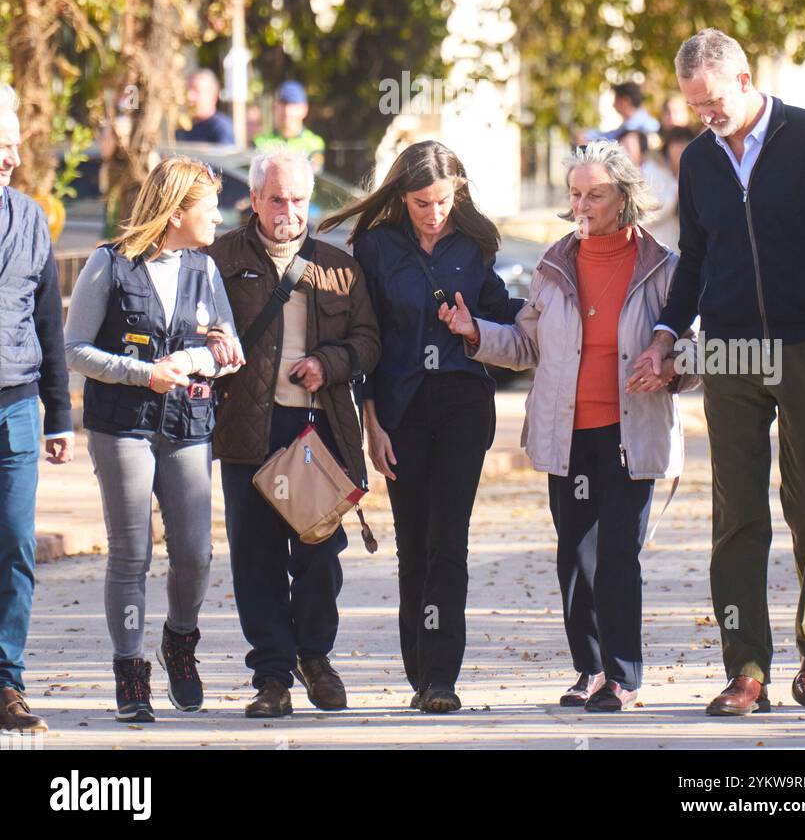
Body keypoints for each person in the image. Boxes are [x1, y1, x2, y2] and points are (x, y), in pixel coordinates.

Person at [633, 28, 805, 716]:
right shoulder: (701, 160)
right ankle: (746, 669)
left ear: (743, 80)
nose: (705, 116)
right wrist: (666, 333)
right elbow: (696, 256)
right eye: (693, 105)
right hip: (730, 351)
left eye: (712, 101)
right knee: (736, 512)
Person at [441, 140, 697, 711]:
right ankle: (591, 668)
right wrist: (475, 332)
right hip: (567, 431)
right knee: (576, 557)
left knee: (619, 556)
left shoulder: (663, 267)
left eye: (594, 195)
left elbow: (693, 347)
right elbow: (528, 345)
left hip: (631, 432)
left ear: (623, 198)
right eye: (575, 194)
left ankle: (624, 675)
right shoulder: (554, 264)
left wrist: (671, 367)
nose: (581, 205)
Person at [319, 140, 523, 714]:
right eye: (421, 203)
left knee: (448, 541)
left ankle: (440, 678)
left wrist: (490, 322)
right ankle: (418, 671)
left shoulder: (476, 243)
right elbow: (366, 337)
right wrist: (372, 421)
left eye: (442, 201)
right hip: (401, 408)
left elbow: (501, 312)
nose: (434, 214)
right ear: (401, 197)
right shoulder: (375, 247)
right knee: (413, 543)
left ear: (458, 191)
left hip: (463, 404)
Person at [65, 158, 243, 723]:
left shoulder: (204, 269)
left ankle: (179, 642)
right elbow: (75, 350)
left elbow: (229, 349)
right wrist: (143, 373)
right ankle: (130, 670)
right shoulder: (109, 264)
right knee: (131, 553)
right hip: (123, 425)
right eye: (209, 208)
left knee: (194, 551)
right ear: (175, 213)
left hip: (187, 425)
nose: (218, 217)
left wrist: (194, 359)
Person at [205, 148, 380, 718]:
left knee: (320, 552)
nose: (289, 210)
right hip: (248, 427)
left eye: (299, 199)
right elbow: (193, 326)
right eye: (277, 199)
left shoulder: (338, 266)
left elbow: (369, 342)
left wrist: (329, 363)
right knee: (255, 557)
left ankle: (315, 656)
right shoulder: (219, 260)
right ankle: (272, 678)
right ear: (254, 200)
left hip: (317, 428)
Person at [0, 85, 74, 733]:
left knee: (16, 544)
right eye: (0, 146)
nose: (12, 159)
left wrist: (60, 415)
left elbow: (49, 322)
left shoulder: (29, 219)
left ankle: (7, 682)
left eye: (15, 145)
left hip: (18, 406)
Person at [254, 81, 325, 172]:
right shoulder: (259, 141)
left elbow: (314, 175)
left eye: (293, 105)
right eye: (282, 104)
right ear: (274, 107)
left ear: (304, 109)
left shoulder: (314, 143)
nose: (286, 111)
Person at [175, 69, 235, 145]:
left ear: (214, 96)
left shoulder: (220, 127)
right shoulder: (182, 126)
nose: (189, 97)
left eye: (196, 90)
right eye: (187, 90)